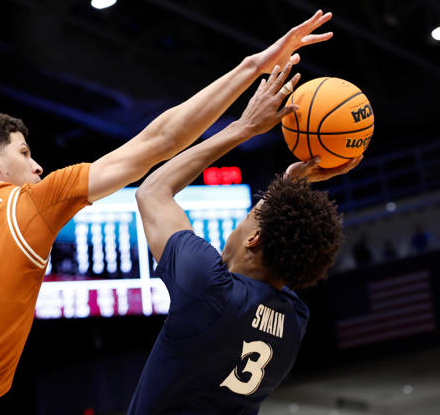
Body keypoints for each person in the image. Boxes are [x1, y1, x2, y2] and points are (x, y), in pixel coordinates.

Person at [0, 10, 334, 414]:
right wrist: (250, 68)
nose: (37, 165)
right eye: (25, 153)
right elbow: (160, 140)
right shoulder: (31, 202)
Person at [129, 61, 362, 414]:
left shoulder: (209, 289)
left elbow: (153, 191)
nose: (241, 222)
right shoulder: (293, 319)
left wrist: (243, 128)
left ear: (254, 240)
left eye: (250, 214)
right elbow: (284, 245)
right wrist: (288, 184)